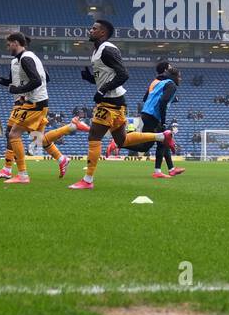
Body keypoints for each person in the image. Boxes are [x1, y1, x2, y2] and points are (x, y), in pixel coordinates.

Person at [68, 20, 174, 190]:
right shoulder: (97, 51)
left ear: (103, 32)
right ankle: (161, 136)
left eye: (94, 28)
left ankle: (88, 180)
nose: (91, 30)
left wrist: (102, 90)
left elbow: (123, 74)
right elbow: (107, 76)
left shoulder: (107, 49)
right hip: (115, 102)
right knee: (121, 140)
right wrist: (90, 78)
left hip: (110, 102)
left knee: (94, 136)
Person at [0, 32, 78, 184]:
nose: (7, 47)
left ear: (17, 43)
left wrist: (19, 90)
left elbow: (37, 80)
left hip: (31, 102)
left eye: (9, 44)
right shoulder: (24, 59)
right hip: (33, 102)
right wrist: (6, 83)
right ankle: (62, 156)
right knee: (37, 138)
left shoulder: (26, 58)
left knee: (12, 133)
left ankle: (15, 172)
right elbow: (42, 78)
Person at [130, 61, 183, 178]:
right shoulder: (165, 83)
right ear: (165, 70)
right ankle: (120, 142)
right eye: (169, 67)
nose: (171, 68)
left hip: (148, 112)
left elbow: (147, 97)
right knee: (151, 144)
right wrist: (163, 120)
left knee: (161, 142)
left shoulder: (157, 82)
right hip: (152, 114)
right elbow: (160, 101)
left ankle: (168, 169)